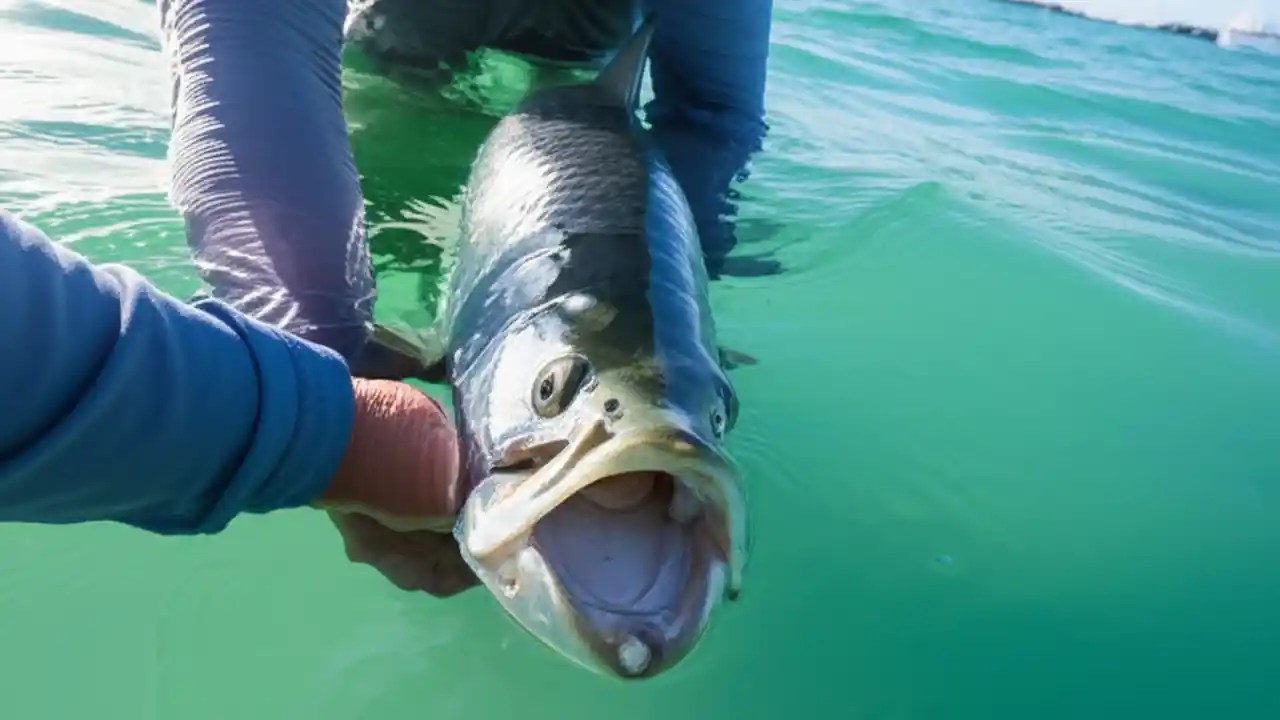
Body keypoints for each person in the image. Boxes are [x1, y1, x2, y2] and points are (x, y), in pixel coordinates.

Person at [0, 1, 771, 596]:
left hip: (582, 46)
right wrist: (320, 364)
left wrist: (671, 312)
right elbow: (248, 31)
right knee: (393, 142)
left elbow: (711, 115)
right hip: (402, 43)